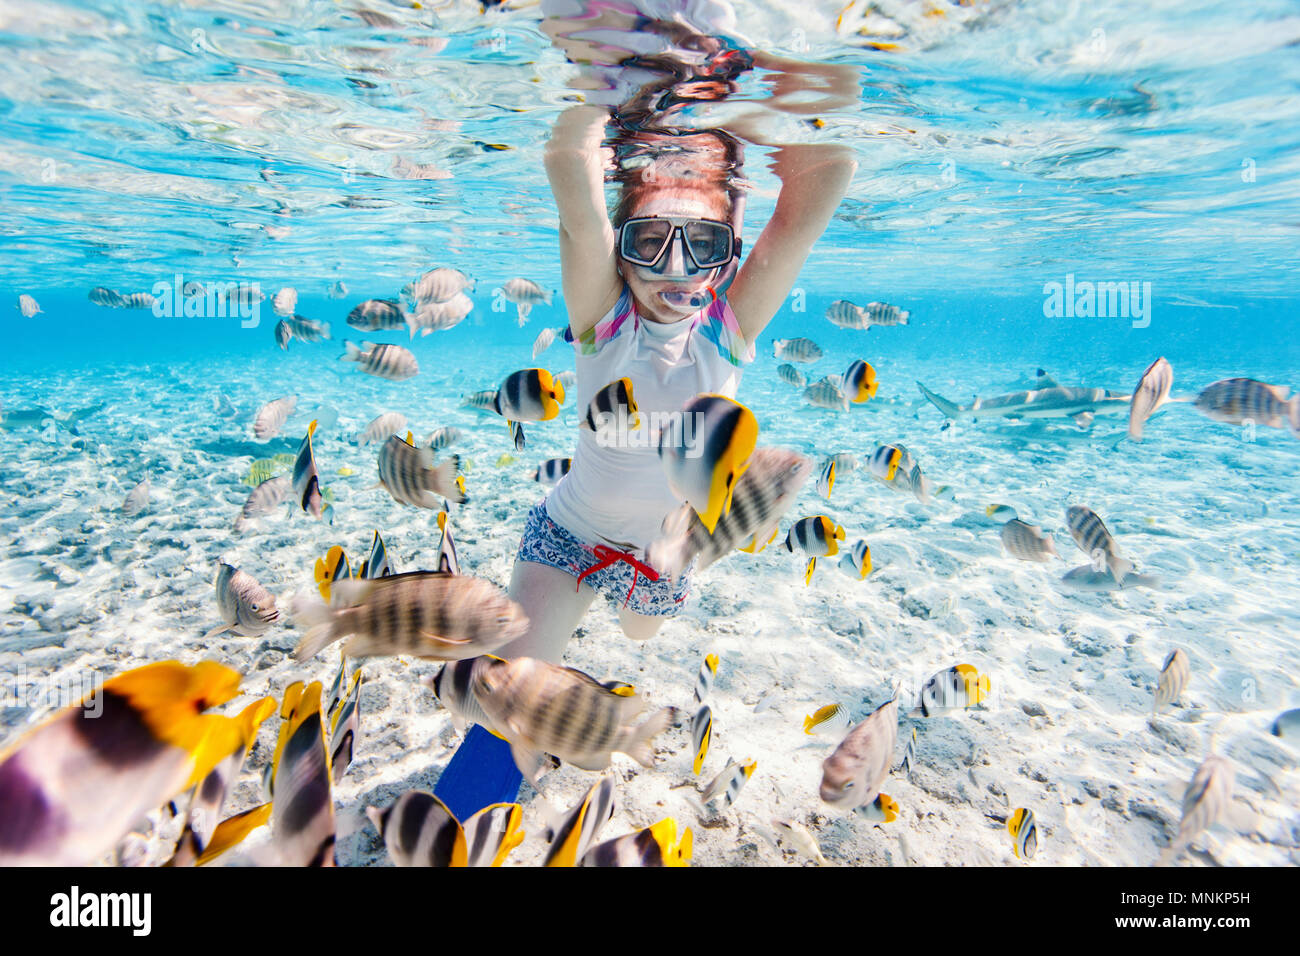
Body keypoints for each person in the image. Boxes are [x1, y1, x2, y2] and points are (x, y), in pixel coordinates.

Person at [435, 14, 857, 819]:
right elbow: (573, 188)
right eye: (649, 241)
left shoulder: (726, 336)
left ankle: (608, 670)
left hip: (657, 563)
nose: (676, 269)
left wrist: (773, 82)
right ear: (620, 245)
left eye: (702, 245)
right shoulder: (603, 322)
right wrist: (596, 75)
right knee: (506, 707)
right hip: (563, 538)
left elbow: (814, 200)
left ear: (730, 250)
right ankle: (462, 822)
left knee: (635, 636)